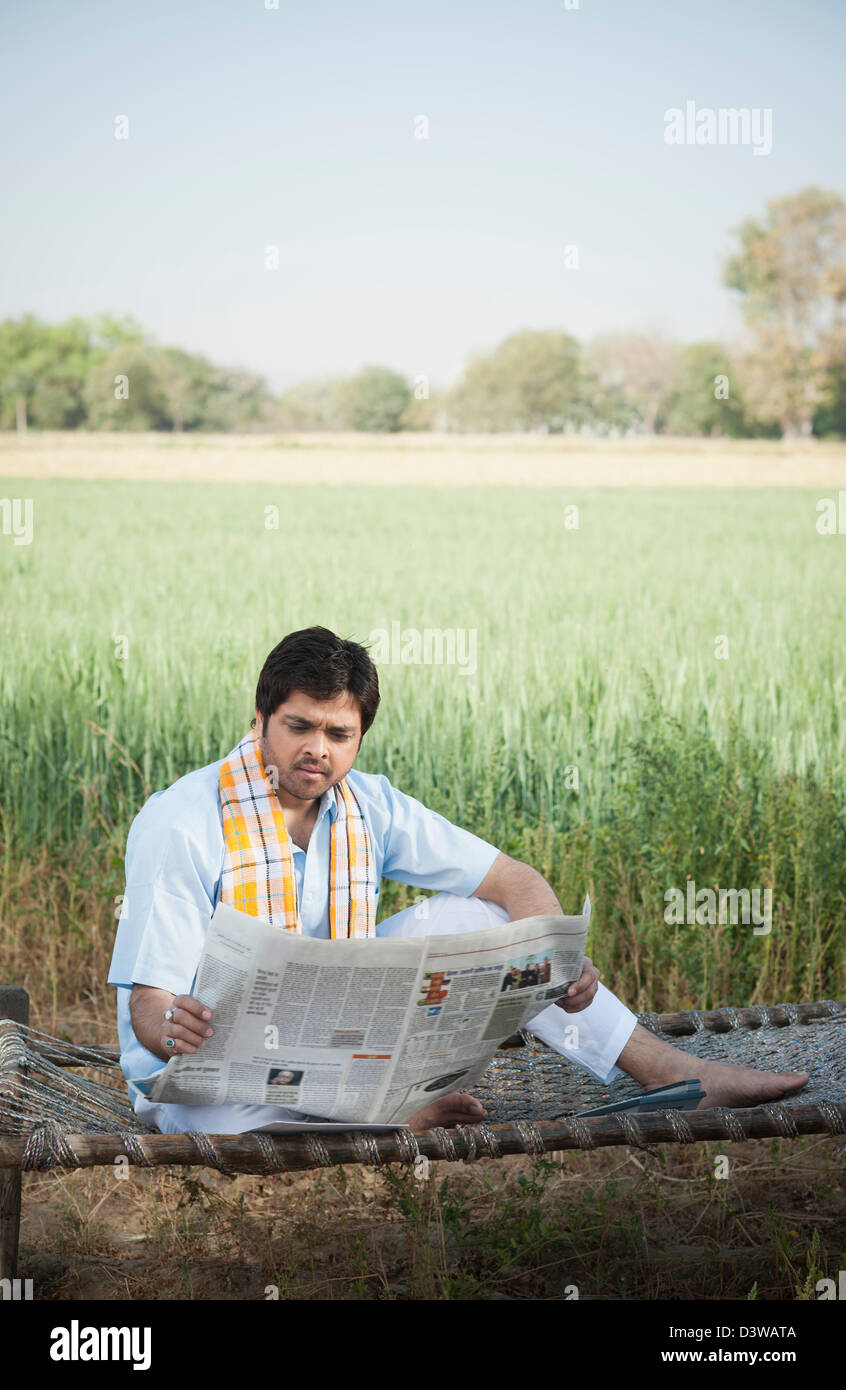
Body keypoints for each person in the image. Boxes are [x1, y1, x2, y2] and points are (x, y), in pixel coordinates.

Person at [108, 626, 809, 1135]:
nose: (317, 749)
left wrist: (556, 961)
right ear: (259, 720)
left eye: (339, 733)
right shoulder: (182, 821)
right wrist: (179, 1028)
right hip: (209, 1073)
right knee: (233, 1130)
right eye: (298, 726)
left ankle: (672, 1074)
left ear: (359, 738)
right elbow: (150, 1007)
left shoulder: (369, 804)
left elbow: (514, 879)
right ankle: (390, 1124)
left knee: (491, 921)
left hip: (335, 1045)